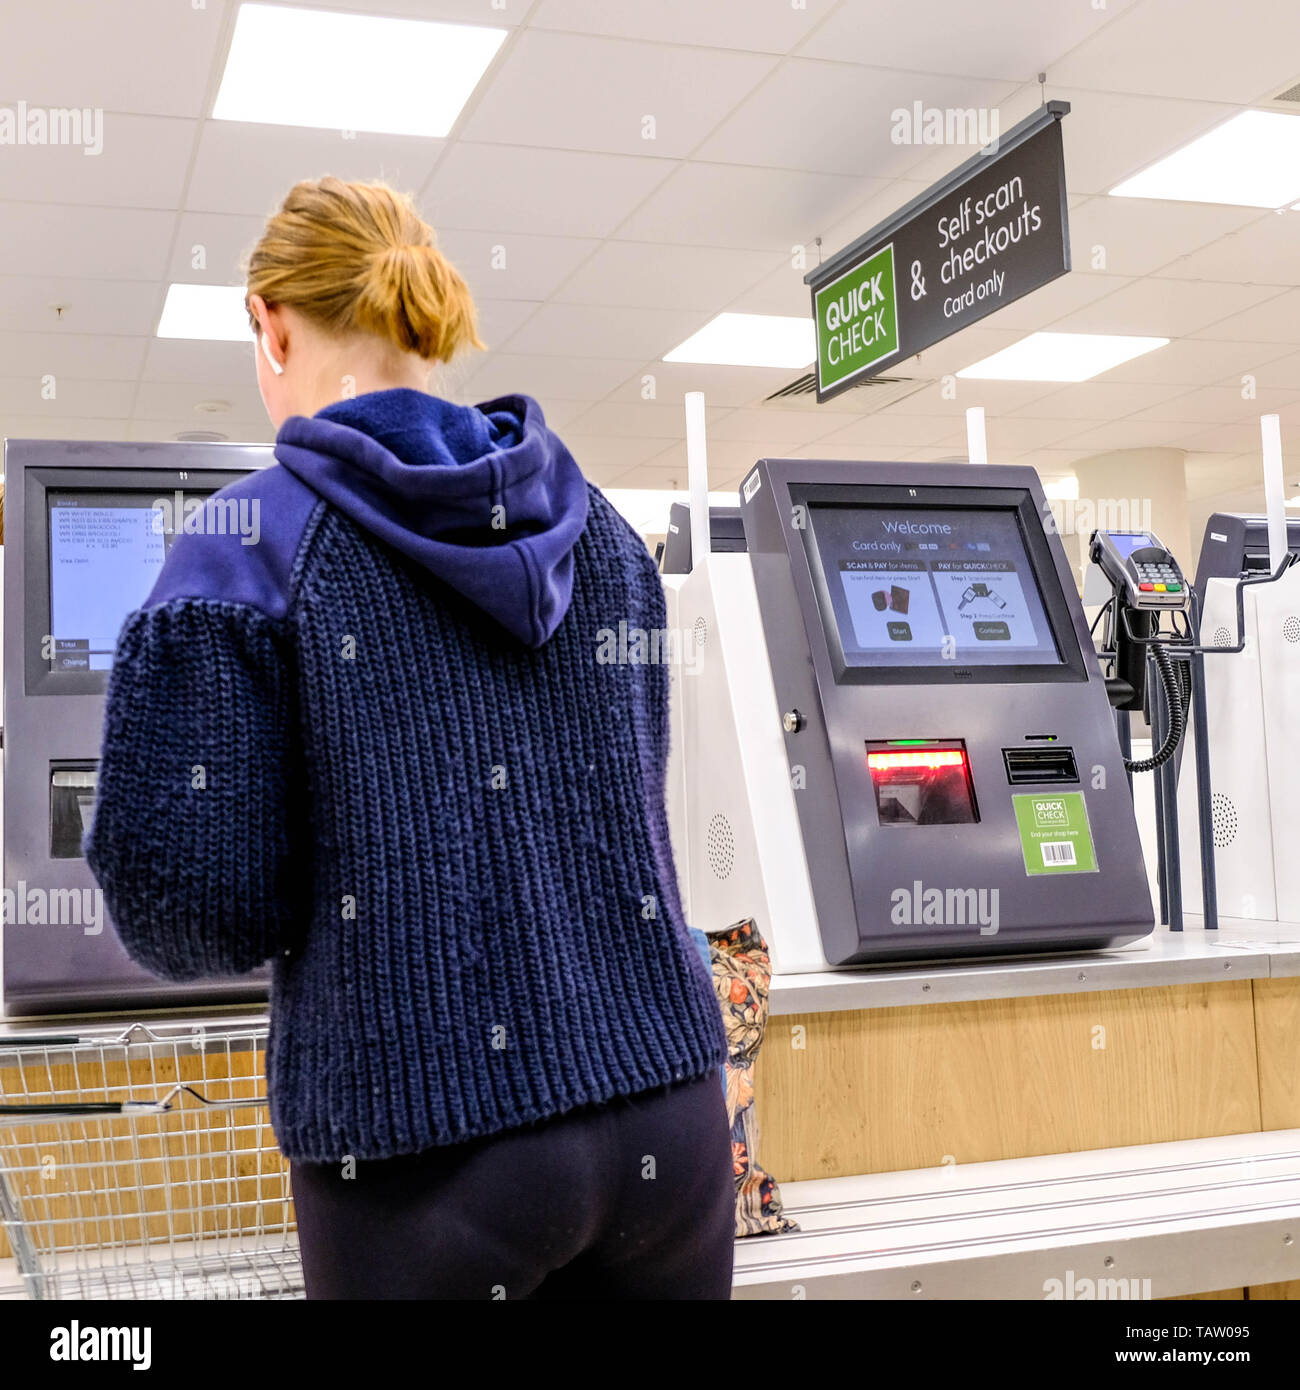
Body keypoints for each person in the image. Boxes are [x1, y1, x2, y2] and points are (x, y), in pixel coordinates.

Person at [86, 176, 733, 1300]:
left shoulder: (245, 548)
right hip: (666, 1120)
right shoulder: (606, 535)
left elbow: (189, 907)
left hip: (427, 1150)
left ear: (271, 322)